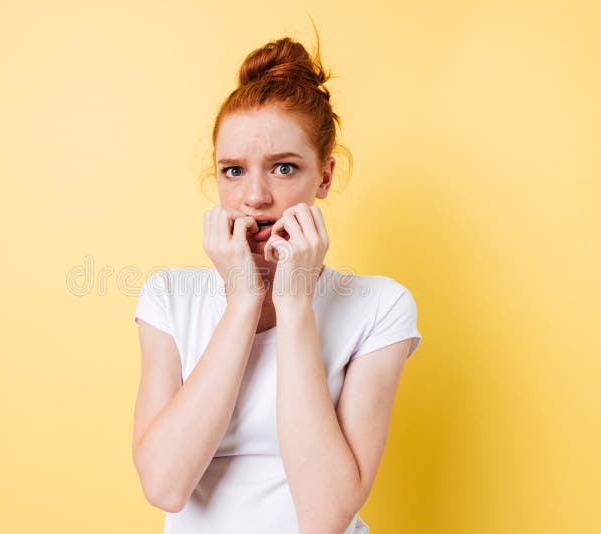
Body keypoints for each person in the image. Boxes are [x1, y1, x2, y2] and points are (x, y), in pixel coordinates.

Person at [132, 33, 422, 534]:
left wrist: (294, 304)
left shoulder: (380, 306)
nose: (255, 197)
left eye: (283, 168)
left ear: (324, 177)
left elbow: (326, 517)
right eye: (233, 171)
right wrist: (243, 302)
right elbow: (164, 486)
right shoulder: (169, 298)